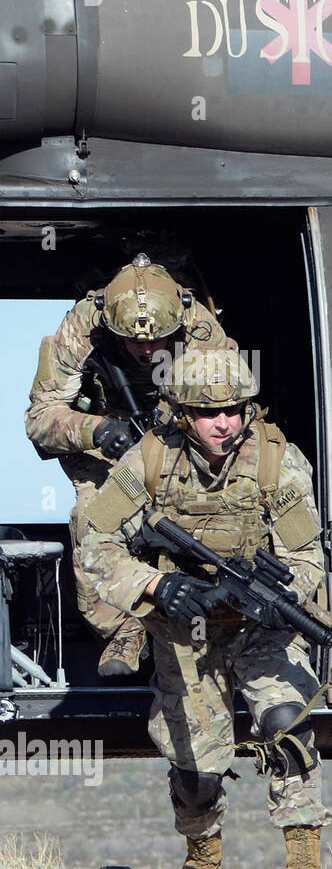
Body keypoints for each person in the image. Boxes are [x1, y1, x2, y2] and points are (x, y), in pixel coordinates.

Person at [79, 343, 331, 869]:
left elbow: (308, 556)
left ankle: (305, 865)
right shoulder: (146, 461)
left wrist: (275, 588)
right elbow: (96, 543)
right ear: (181, 413)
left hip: (260, 627)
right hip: (183, 631)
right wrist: (156, 585)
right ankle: (202, 859)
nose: (225, 423)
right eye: (209, 412)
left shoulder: (275, 462)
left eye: (235, 410)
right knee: (197, 771)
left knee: (288, 725)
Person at [25, 253, 237, 676]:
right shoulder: (82, 327)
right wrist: (97, 430)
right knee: (93, 517)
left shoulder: (201, 331)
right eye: (136, 342)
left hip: (182, 432)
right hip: (108, 445)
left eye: (159, 341)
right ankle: (122, 630)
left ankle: (209, 622)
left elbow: (226, 408)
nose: (148, 351)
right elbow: (40, 420)